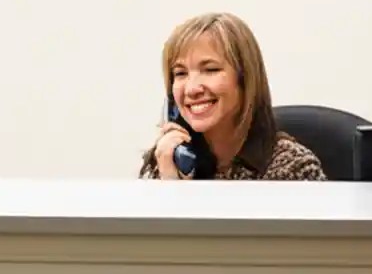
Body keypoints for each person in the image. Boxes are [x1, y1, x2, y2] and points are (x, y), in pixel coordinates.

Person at [139, 12, 327, 181]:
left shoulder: (292, 169)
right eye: (180, 73)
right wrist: (169, 182)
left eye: (210, 70)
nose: (191, 89)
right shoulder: (166, 158)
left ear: (245, 79)